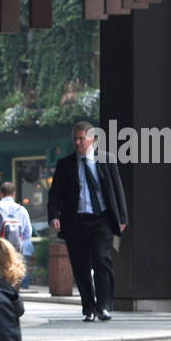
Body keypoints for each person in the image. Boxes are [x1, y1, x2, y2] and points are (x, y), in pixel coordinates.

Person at [47, 121, 129, 322]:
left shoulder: (106, 160)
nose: (77, 142)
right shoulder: (64, 165)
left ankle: (104, 306)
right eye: (75, 138)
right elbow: (55, 194)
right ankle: (88, 307)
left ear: (92, 138)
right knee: (80, 265)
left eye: (81, 138)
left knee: (102, 260)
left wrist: (122, 218)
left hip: (101, 220)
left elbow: (118, 190)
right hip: (76, 221)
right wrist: (54, 216)